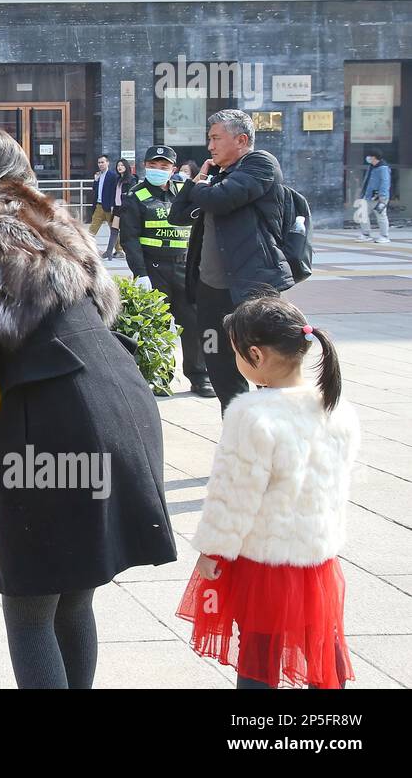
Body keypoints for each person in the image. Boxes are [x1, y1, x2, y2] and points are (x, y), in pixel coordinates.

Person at [0, 127, 176, 689]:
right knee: (73, 594)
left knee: (30, 602)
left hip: (55, 420)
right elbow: (104, 308)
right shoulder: (56, 224)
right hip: (120, 398)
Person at [177, 295, 359, 689]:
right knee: (322, 646)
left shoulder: (251, 414)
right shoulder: (333, 406)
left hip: (266, 562)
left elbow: (234, 494)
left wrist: (212, 550)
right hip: (317, 558)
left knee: (260, 654)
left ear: (255, 355)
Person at [169, 109, 294, 412]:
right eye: (208, 139)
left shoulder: (259, 164)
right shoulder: (217, 176)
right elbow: (178, 215)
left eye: (215, 138)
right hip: (211, 290)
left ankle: (272, 434)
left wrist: (202, 187)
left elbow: (219, 200)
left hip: (250, 287)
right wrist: (196, 181)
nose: (209, 147)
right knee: (220, 364)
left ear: (241, 139)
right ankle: (236, 429)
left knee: (265, 363)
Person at [120, 146, 215, 397]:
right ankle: (160, 375)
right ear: (145, 166)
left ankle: (200, 376)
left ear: (173, 169)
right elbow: (129, 239)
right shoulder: (135, 195)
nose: (158, 170)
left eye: (164, 167)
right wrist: (140, 274)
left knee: (194, 323)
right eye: (154, 165)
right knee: (158, 326)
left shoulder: (183, 193)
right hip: (154, 268)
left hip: (185, 268)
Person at [356, 147, 391, 244]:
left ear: (374, 157)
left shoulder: (383, 168)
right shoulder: (372, 166)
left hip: (379, 197)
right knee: (362, 213)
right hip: (369, 196)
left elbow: (385, 182)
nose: (367, 158)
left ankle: (384, 236)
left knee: (381, 216)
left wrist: (382, 197)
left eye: (369, 156)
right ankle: (366, 234)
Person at [103, 157, 135, 260]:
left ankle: (130, 252)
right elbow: (114, 194)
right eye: (118, 166)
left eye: (122, 165)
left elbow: (131, 195)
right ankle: (108, 252)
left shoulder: (131, 179)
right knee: (114, 230)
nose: (119, 167)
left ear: (126, 167)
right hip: (117, 208)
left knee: (126, 232)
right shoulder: (117, 179)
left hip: (126, 208)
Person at [87, 154, 118, 254]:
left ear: (107, 163)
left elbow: (114, 191)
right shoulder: (98, 175)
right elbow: (94, 189)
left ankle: (119, 250)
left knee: (113, 229)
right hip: (99, 206)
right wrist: (95, 180)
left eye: (102, 162)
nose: (100, 164)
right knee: (92, 229)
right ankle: (86, 247)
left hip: (109, 206)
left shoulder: (112, 176)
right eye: (99, 162)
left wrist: (113, 205)